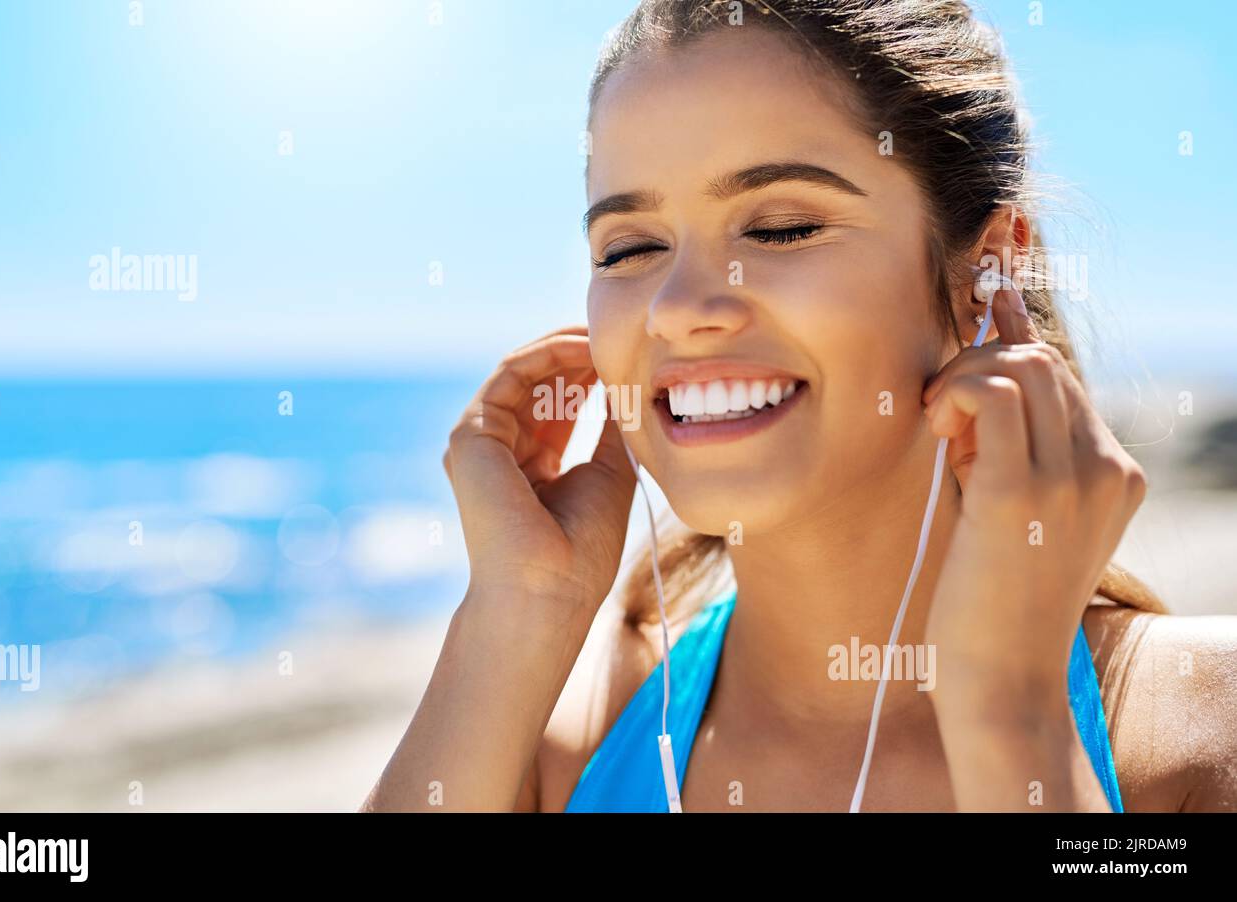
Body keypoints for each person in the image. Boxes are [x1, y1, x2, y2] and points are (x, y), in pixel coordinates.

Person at [363, 0, 1237, 812]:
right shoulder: (559, 747)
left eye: (780, 228)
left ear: (989, 269)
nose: (675, 307)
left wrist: (1011, 716)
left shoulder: (1203, 734)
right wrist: (518, 611)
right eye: (628, 247)